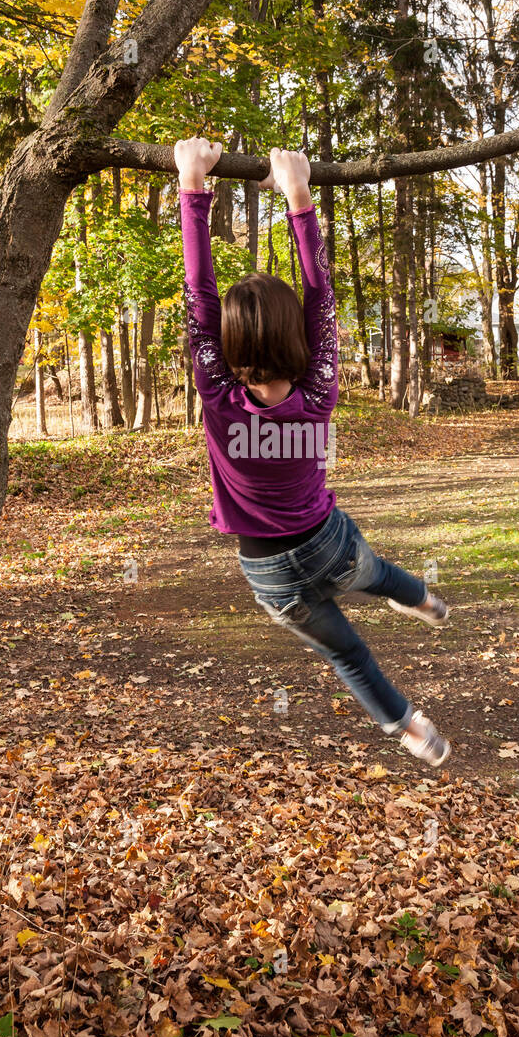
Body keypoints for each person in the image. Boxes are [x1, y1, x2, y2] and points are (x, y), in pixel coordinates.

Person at [175, 135, 452, 767]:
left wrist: (194, 185)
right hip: (326, 542)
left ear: (226, 342)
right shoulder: (319, 388)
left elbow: (200, 299)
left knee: (348, 653)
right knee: (375, 572)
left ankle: (412, 730)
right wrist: (298, 195)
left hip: (267, 571)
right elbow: (320, 298)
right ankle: (422, 599)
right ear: (297, 334)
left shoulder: (218, 395)